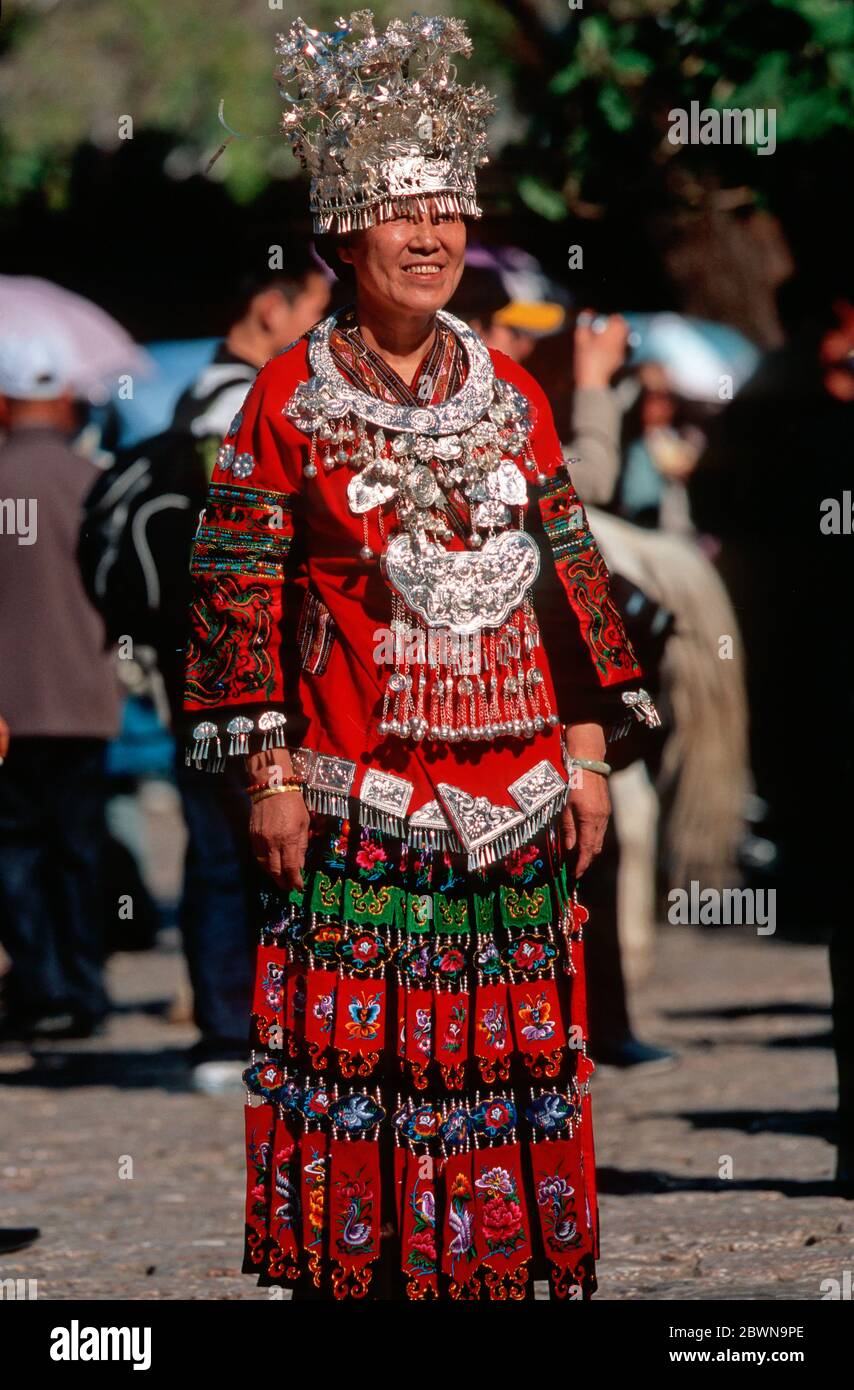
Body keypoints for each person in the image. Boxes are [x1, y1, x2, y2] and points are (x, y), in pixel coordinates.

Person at [183, 11, 658, 1300]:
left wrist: (586, 753)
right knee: (362, 1059)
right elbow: (236, 593)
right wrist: (268, 770)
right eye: (404, 214)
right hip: (355, 790)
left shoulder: (513, 390)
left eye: (450, 207)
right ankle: (364, 1271)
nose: (434, 234)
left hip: (514, 796)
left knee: (508, 1054)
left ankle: (498, 1264)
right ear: (344, 236)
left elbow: (568, 584)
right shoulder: (286, 396)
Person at [0, 339, 121, 1039]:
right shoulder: (93, 478)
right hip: (83, 697)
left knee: (14, 850)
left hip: (9, 707)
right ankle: (86, 987)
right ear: (66, 397)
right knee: (80, 847)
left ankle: (38, 985)